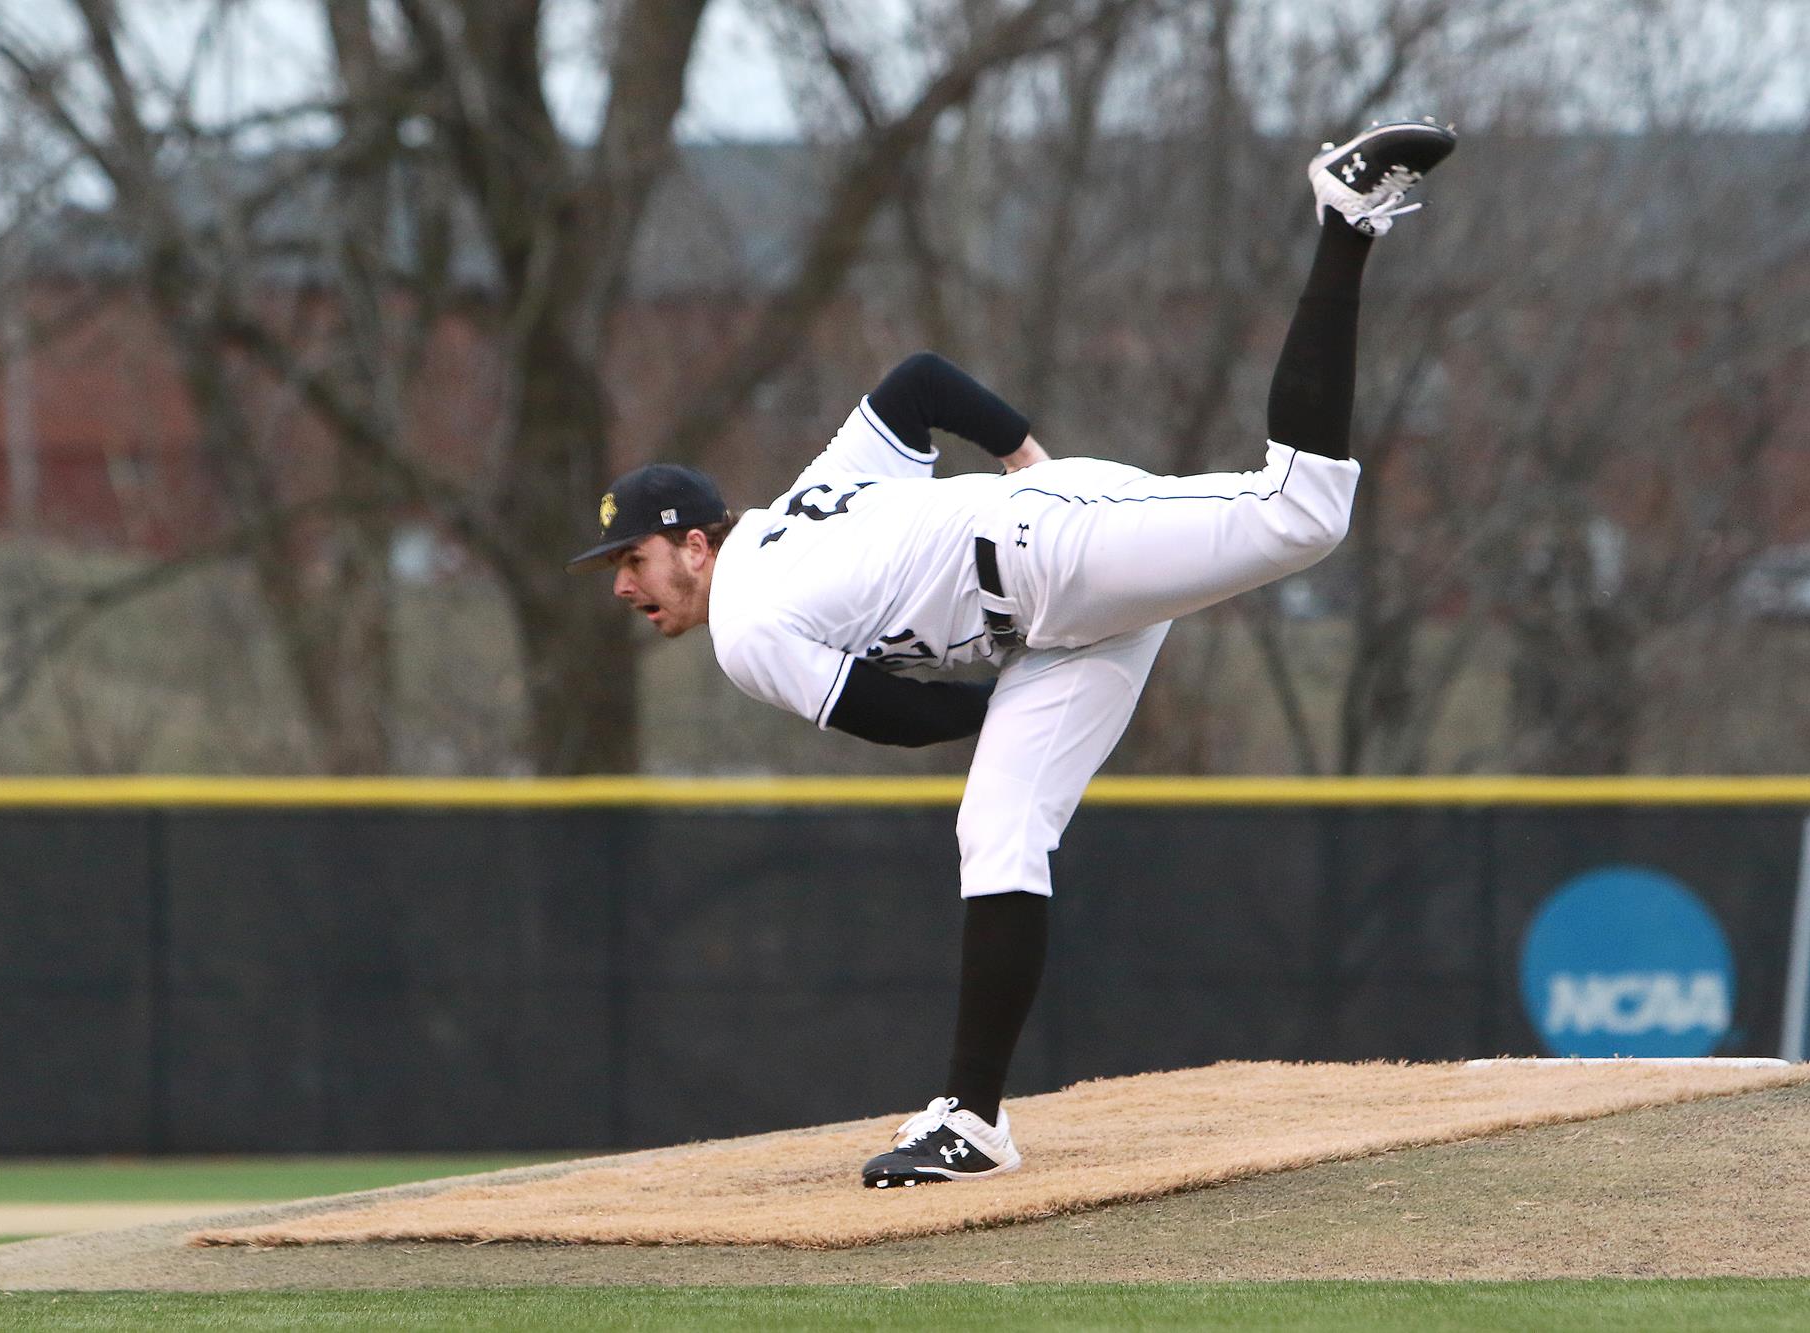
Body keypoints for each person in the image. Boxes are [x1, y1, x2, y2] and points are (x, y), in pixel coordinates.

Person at [567, 121, 1457, 1187]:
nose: (622, 584)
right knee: (997, 831)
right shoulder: (813, 494)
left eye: (634, 556)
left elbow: (893, 714)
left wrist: (1036, 497)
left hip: (1050, 554)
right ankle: (972, 1122)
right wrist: (1026, 457)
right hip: (1047, 607)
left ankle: (1343, 216)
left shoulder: (747, 621)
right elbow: (918, 385)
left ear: (695, 544)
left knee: (1299, 515)